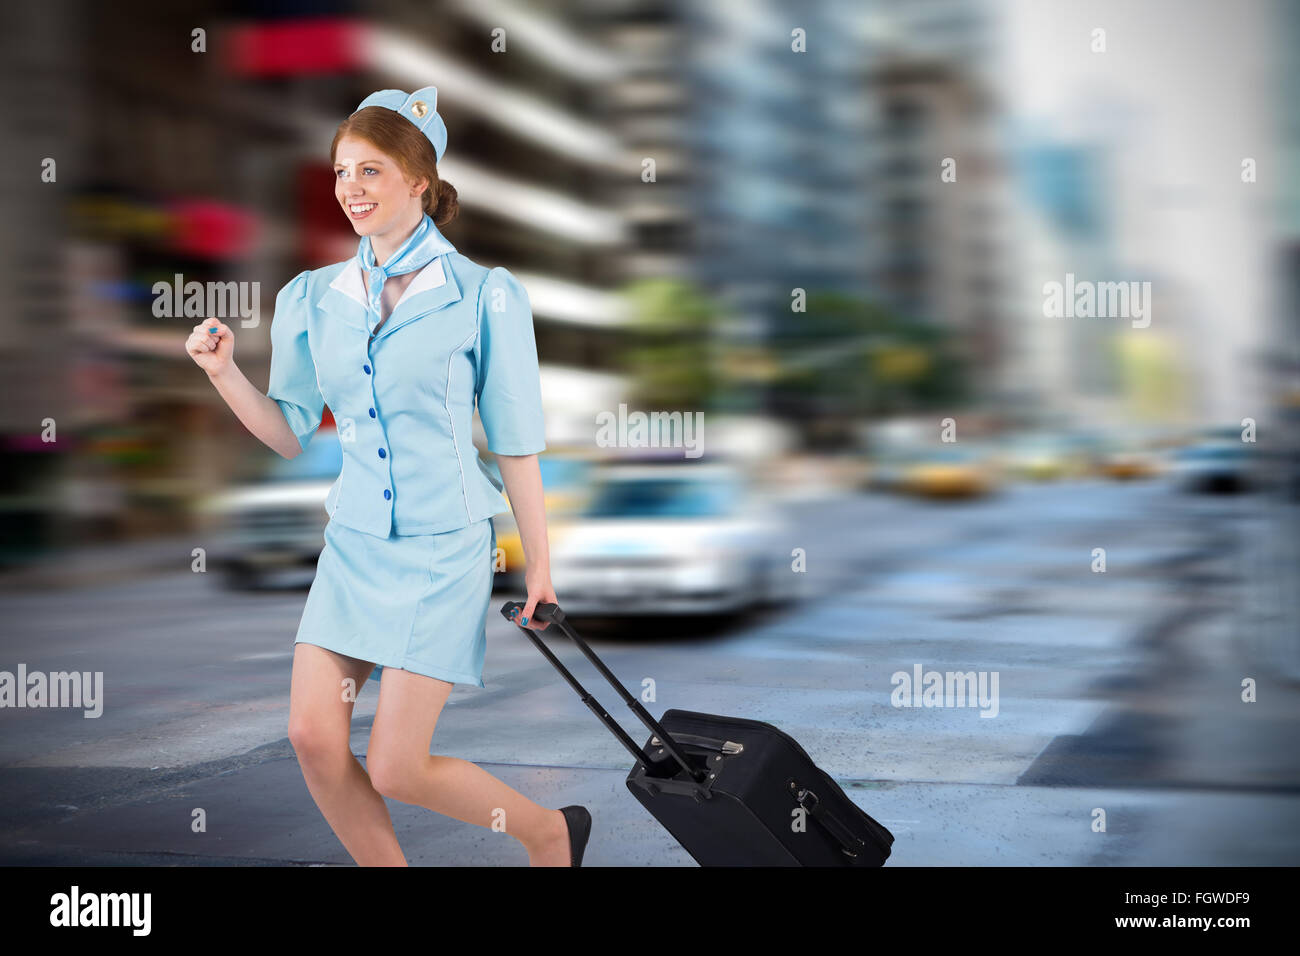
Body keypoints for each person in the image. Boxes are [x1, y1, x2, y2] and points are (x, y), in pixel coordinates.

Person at [184, 86, 591, 867]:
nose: (351, 190)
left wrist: (539, 563)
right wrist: (224, 373)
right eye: (342, 172)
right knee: (311, 736)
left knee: (400, 767)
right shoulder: (313, 297)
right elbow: (288, 434)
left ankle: (548, 833)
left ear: (418, 181)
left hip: (444, 549)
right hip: (355, 547)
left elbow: (515, 442)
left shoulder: (485, 295)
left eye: (371, 170)